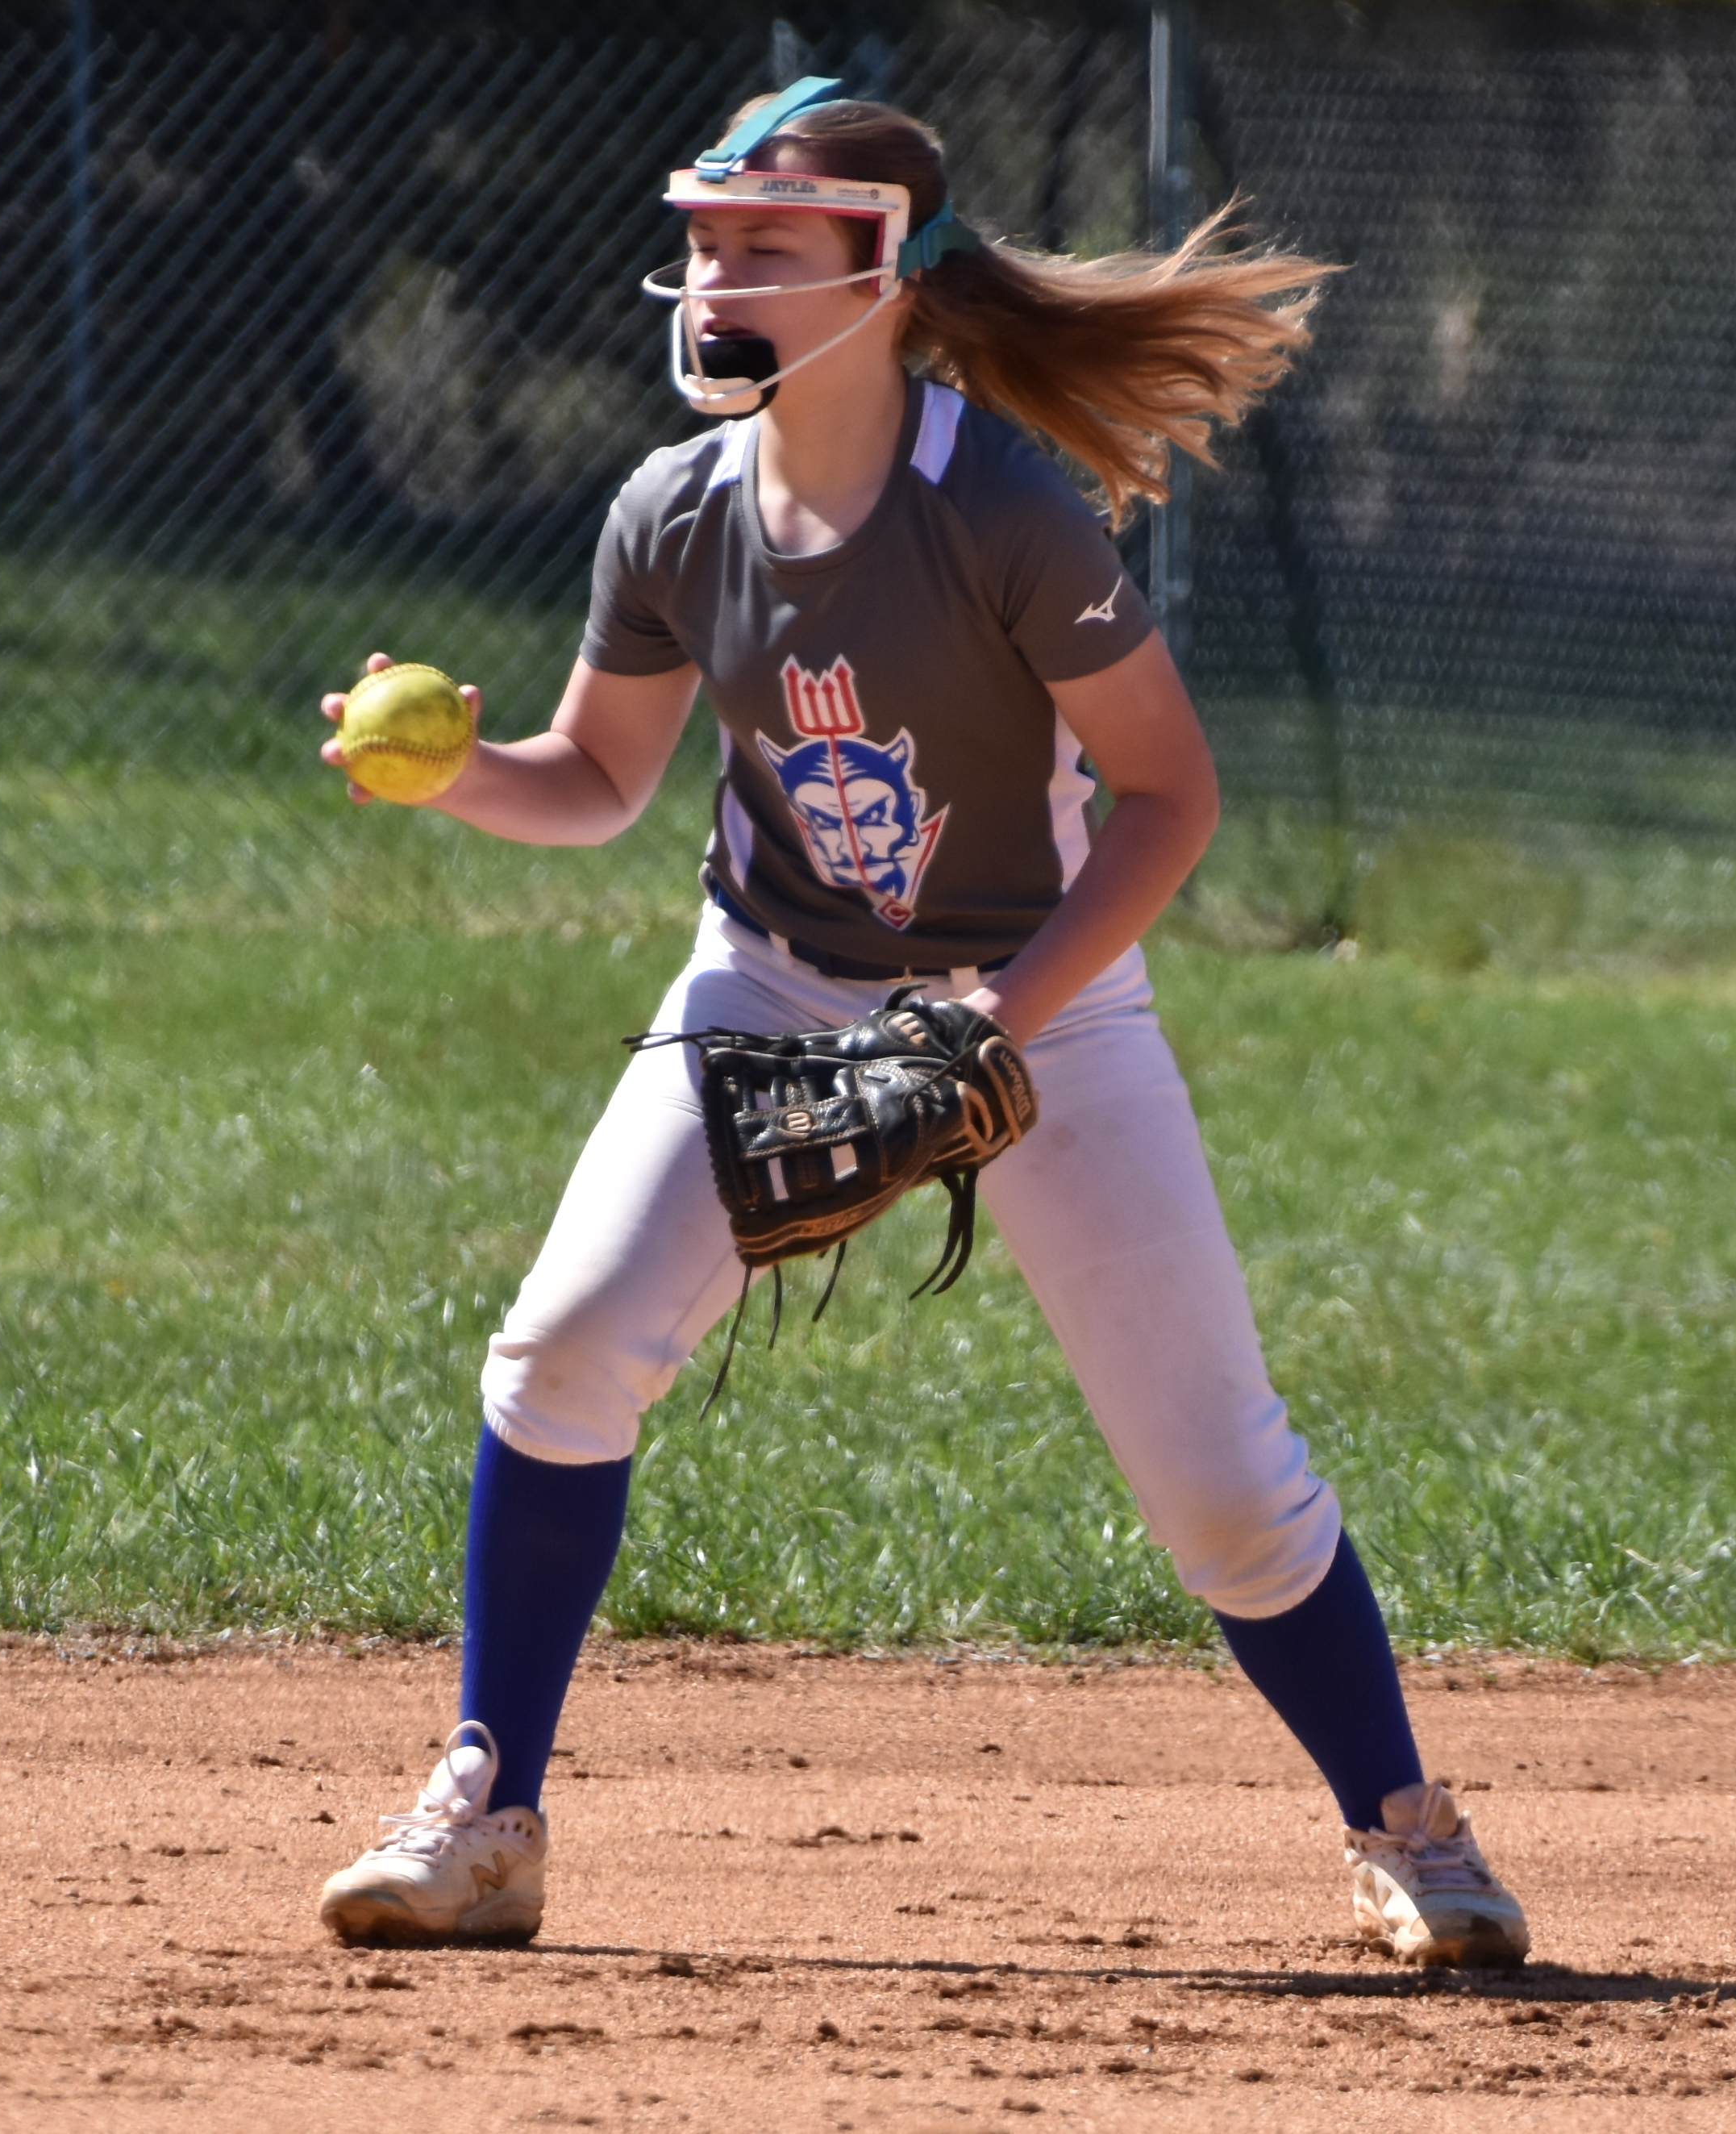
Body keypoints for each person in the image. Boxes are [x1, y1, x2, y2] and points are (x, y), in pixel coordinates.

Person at [306, 80, 1530, 1967]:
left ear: (882, 272)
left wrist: (993, 1020)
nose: (718, 274)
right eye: (707, 238)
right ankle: (485, 1808)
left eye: (766, 243)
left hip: (1047, 999)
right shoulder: (672, 509)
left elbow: (1167, 801)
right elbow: (596, 779)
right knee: (557, 1355)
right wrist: (460, 772)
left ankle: (1407, 1831)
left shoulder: (1002, 515)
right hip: (769, 978)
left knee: (1220, 1480)